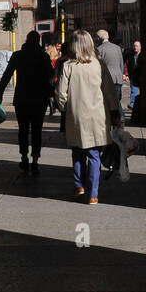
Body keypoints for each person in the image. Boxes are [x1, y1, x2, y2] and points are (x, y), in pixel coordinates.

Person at [54, 30, 121, 205]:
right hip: (98, 117)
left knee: (77, 152)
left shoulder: (68, 66)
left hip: (76, 116)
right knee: (94, 154)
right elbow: (110, 94)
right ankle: (93, 194)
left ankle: (79, 186)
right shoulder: (99, 66)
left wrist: (65, 109)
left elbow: (60, 94)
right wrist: (115, 114)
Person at [0, 31, 54, 176]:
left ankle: (24, 157)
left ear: (26, 40)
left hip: (21, 99)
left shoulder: (18, 55)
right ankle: (35, 161)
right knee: (36, 130)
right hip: (39, 100)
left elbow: (6, 75)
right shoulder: (43, 56)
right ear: (38, 41)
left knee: (23, 130)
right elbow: (51, 76)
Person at [95, 29, 126, 110]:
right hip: (118, 78)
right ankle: (119, 117)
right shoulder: (117, 48)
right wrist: (123, 74)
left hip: (107, 79)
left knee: (109, 102)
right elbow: (121, 63)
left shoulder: (99, 49)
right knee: (117, 100)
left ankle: (118, 117)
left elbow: (98, 66)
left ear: (99, 38)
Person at [124, 40, 143, 113]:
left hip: (141, 75)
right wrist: (127, 74)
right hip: (133, 75)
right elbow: (127, 63)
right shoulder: (131, 55)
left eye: (137, 46)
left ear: (140, 47)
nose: (135, 47)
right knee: (133, 91)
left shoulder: (142, 55)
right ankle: (132, 104)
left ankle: (139, 105)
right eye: (134, 46)